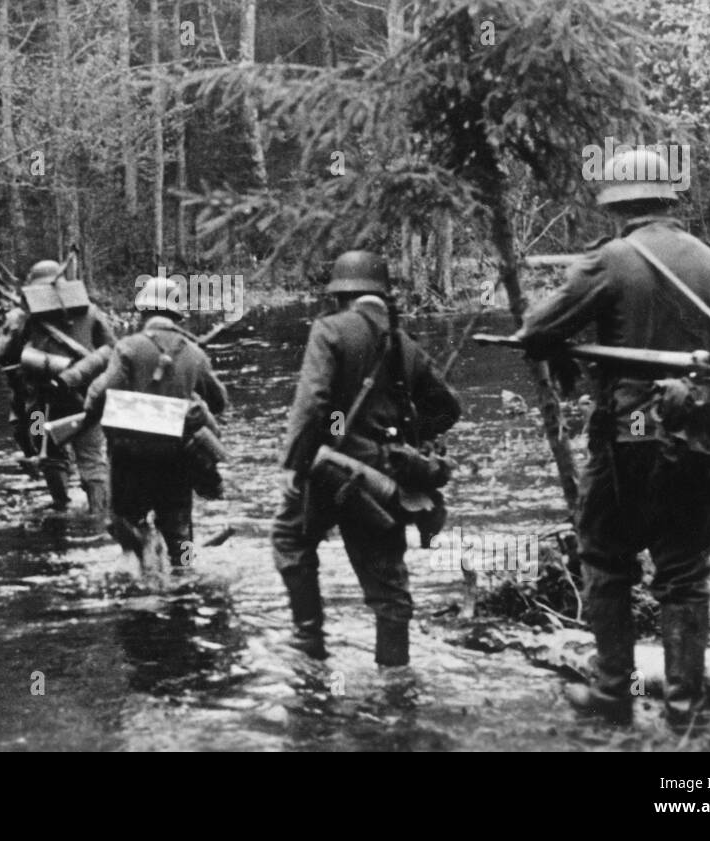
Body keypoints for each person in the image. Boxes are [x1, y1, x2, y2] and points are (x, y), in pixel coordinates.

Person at [515, 148, 710, 728]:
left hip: (628, 440)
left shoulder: (610, 261)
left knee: (606, 558)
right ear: (670, 198)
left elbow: (538, 331)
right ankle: (685, 710)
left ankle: (613, 692)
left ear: (616, 206)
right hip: (697, 441)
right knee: (684, 573)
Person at [274, 250, 461, 665]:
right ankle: (394, 680)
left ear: (341, 294)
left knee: (291, 540)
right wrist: (410, 435)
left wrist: (292, 465)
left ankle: (310, 648)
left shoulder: (331, 330)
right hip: (381, 479)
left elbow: (312, 405)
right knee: (387, 585)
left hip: (327, 470)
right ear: (382, 294)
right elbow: (450, 407)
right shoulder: (404, 344)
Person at [83, 277, 228, 564]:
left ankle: (144, 546)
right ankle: (185, 575)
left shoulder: (128, 347)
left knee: (124, 519)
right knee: (179, 530)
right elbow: (220, 401)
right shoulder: (194, 352)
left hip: (130, 455)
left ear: (144, 314)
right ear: (176, 316)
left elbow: (102, 392)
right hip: (177, 454)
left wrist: (91, 411)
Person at [0, 259, 115, 515]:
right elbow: (113, 349)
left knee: (48, 453)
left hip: (40, 403)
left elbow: (3, 355)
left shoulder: (23, 315)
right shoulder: (90, 310)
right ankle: (99, 516)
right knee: (92, 458)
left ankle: (62, 509)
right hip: (87, 397)